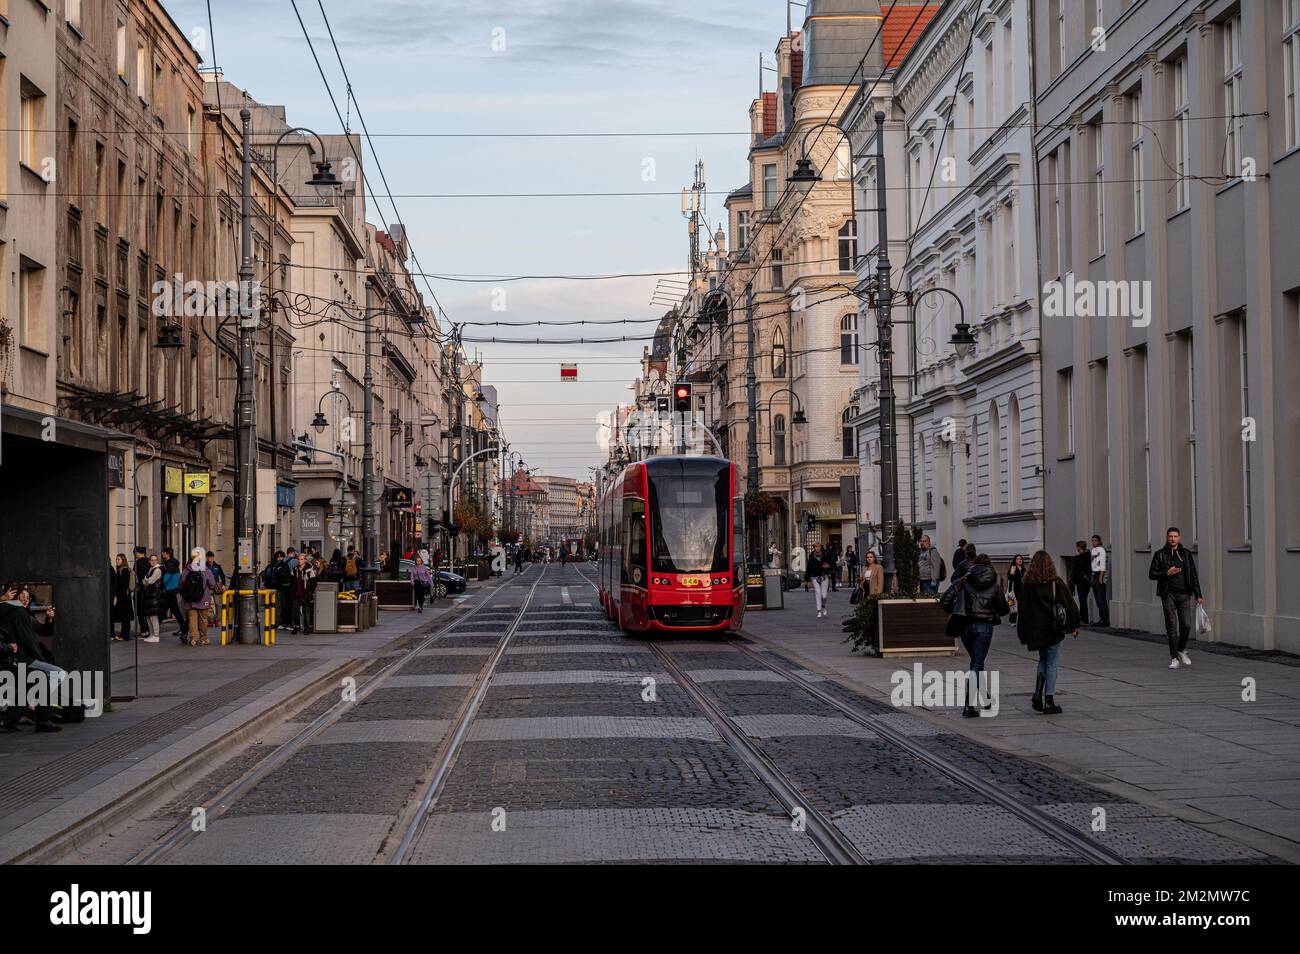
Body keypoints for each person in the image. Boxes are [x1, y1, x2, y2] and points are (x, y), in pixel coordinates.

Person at [1016, 551, 1080, 715]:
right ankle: (1049, 699)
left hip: (1036, 631)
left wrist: (1022, 633)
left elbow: (1022, 611)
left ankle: (1038, 692)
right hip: (1053, 629)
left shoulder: (1027, 585)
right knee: (1052, 663)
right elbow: (1070, 604)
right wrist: (1074, 624)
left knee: (1043, 659)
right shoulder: (1055, 583)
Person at [0, 582, 66, 732]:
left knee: (34, 683)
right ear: (13, 596)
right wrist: (41, 660)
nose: (25, 600)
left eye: (28, 597)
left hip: (11, 660)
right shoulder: (19, 614)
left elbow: (43, 631)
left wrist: (49, 620)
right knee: (56, 674)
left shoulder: (21, 614)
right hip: (19, 659)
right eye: (21, 596)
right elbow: (30, 642)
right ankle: (37, 708)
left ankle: (17, 715)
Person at [958, 553, 1009, 718]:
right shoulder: (994, 584)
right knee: (976, 664)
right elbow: (1003, 609)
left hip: (965, 626)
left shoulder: (965, 581)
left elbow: (947, 599)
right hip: (984, 627)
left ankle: (986, 698)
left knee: (976, 663)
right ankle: (969, 705)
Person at [1149, 526, 1202, 669]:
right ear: (1167, 538)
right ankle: (1174, 658)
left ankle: (1181, 649)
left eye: (1175, 536)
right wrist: (1167, 572)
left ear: (1179, 538)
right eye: (1170, 536)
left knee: (1186, 625)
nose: (1173, 539)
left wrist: (1198, 595)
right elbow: (1152, 574)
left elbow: (1193, 575)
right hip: (1168, 594)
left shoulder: (1186, 554)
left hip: (1184, 594)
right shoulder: (1160, 554)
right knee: (1171, 627)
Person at [178, 547, 217, 647]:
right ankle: (203, 639)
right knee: (203, 619)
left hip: (190, 599)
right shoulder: (206, 570)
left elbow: (181, 583)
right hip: (203, 598)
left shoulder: (187, 569)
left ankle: (193, 639)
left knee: (192, 619)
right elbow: (212, 584)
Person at [138, 555, 164, 642]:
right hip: (149, 595)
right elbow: (143, 581)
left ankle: (156, 635)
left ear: (157, 561)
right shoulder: (150, 570)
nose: (153, 562)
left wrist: (146, 580)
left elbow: (150, 581)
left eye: (155, 560)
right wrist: (146, 580)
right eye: (151, 560)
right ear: (149, 561)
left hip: (154, 595)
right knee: (149, 616)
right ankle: (152, 634)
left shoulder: (157, 570)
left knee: (153, 616)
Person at [160, 547, 186, 636]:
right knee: (166, 610)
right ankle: (183, 629)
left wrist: (160, 584)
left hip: (169, 590)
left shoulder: (169, 564)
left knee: (173, 610)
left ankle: (184, 629)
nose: (162, 554)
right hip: (172, 590)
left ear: (167, 554)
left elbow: (166, 578)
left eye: (163, 552)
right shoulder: (172, 563)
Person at [110, 553, 134, 642]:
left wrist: (118, 597)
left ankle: (125, 636)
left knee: (125, 618)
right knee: (125, 618)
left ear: (123, 561)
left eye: (118, 559)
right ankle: (124, 635)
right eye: (116, 559)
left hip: (124, 598)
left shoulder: (124, 571)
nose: (116, 561)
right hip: (124, 597)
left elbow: (123, 586)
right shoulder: (122, 570)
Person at [1069, 541, 1093, 626]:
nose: (1076, 549)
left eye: (1077, 547)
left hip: (1083, 582)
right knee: (1082, 600)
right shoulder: (1083, 556)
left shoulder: (1085, 556)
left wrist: (1076, 556)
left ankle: (1084, 620)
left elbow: (1078, 566)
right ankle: (1083, 619)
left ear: (1079, 547)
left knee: (1083, 601)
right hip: (1080, 582)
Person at [292, 555, 316, 633]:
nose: (299, 561)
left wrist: (310, 593)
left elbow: (313, 583)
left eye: (301, 559)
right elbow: (292, 581)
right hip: (297, 593)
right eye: (298, 559)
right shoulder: (295, 569)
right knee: (295, 611)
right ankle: (297, 626)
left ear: (305, 560)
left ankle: (307, 627)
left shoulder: (310, 570)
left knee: (306, 611)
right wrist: (293, 592)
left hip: (305, 593)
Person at [1090, 534, 1110, 627]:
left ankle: (1105, 620)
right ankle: (1102, 619)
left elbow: (1102, 566)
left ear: (1099, 541)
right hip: (1095, 577)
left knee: (1101, 600)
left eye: (1095, 540)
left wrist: (1101, 579)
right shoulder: (1095, 551)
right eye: (1092, 540)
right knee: (1098, 600)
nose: (1093, 542)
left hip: (1100, 578)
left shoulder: (1101, 551)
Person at [808, 544, 831, 618]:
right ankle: (819, 610)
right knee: (818, 593)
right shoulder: (811, 556)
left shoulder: (825, 555)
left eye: (819, 547)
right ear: (814, 548)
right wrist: (807, 578)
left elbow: (831, 564)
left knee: (824, 595)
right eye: (816, 547)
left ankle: (823, 606)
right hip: (815, 576)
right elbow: (809, 567)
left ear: (821, 547)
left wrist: (827, 566)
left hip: (824, 576)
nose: (817, 548)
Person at [132, 545, 150, 637]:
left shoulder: (138, 563)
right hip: (147, 589)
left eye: (135, 553)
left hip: (139, 589)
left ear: (138, 553)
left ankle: (143, 629)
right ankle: (147, 629)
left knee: (139, 610)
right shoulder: (148, 561)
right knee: (146, 610)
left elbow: (134, 576)